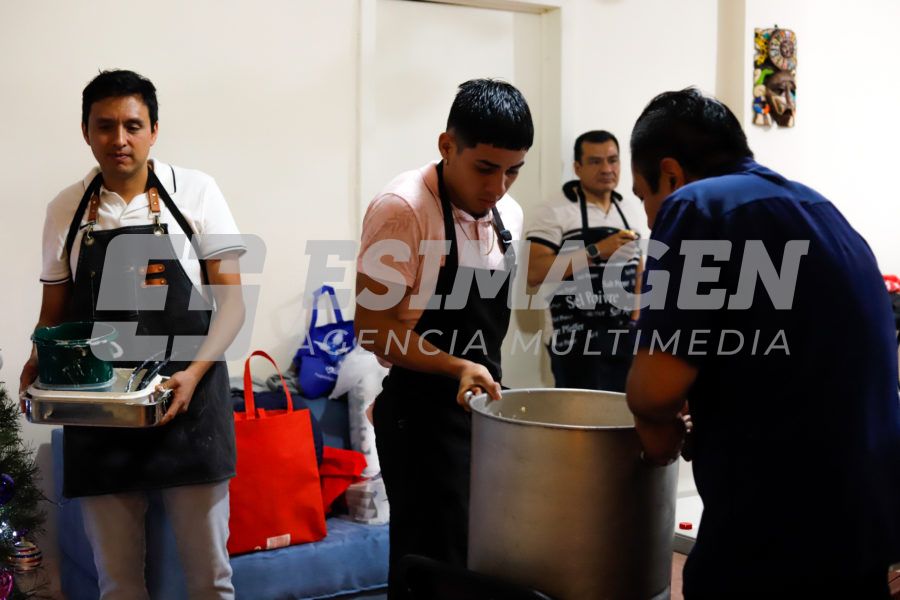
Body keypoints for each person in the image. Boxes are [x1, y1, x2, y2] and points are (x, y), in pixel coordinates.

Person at [625, 88, 900, 598]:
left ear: (670, 174)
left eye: (643, 195)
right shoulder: (820, 209)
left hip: (778, 531)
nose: (647, 216)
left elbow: (651, 393)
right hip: (865, 523)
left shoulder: (695, 206)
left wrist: (656, 430)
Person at [19, 70, 245, 600]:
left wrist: (191, 375)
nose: (118, 139)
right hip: (100, 409)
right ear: (85, 131)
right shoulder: (66, 209)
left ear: (154, 130)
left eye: (132, 125)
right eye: (105, 126)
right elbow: (53, 310)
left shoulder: (196, 191)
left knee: (210, 580)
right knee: (117, 583)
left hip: (190, 402)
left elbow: (231, 307)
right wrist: (37, 356)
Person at [354, 78, 532, 597]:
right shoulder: (403, 209)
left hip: (483, 413)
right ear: (446, 146)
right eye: (485, 168)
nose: (498, 187)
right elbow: (373, 327)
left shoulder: (509, 216)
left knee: (483, 558)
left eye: (512, 172)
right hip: (420, 417)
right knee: (431, 565)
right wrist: (456, 366)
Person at [525, 130, 648, 391]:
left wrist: (636, 322)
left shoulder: (629, 209)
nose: (606, 169)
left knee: (624, 420)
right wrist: (595, 251)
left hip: (623, 339)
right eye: (595, 161)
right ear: (577, 168)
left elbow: (640, 269)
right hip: (573, 339)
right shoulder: (553, 210)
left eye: (613, 160)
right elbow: (534, 272)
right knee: (580, 424)